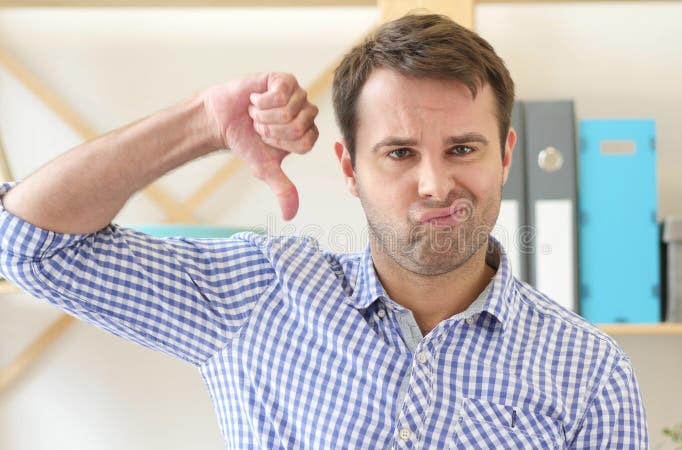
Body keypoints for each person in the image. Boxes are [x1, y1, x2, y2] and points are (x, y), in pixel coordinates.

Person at [0, 13, 647, 450]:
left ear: (506, 155)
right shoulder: (262, 294)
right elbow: (27, 245)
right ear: (349, 167)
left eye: (462, 149)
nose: (434, 185)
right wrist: (201, 123)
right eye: (398, 153)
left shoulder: (590, 373)